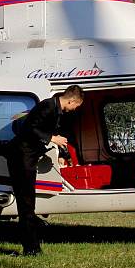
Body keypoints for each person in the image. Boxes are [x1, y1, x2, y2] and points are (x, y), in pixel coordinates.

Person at [7, 85, 84, 255]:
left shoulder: (56, 110)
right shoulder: (48, 106)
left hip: (28, 158)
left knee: (28, 204)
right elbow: (29, 127)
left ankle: (32, 246)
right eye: (76, 106)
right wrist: (51, 138)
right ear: (71, 100)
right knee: (26, 204)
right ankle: (31, 248)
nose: (74, 110)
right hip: (21, 158)